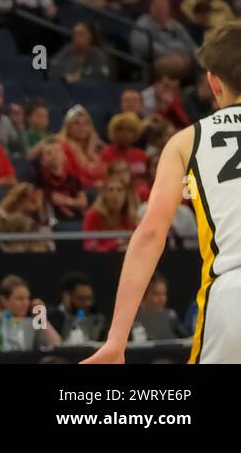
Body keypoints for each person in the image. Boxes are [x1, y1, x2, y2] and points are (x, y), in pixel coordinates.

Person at [87, 20, 241, 363]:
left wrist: (116, 340)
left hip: (234, 291)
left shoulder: (187, 140)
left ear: (213, 82)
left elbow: (151, 232)